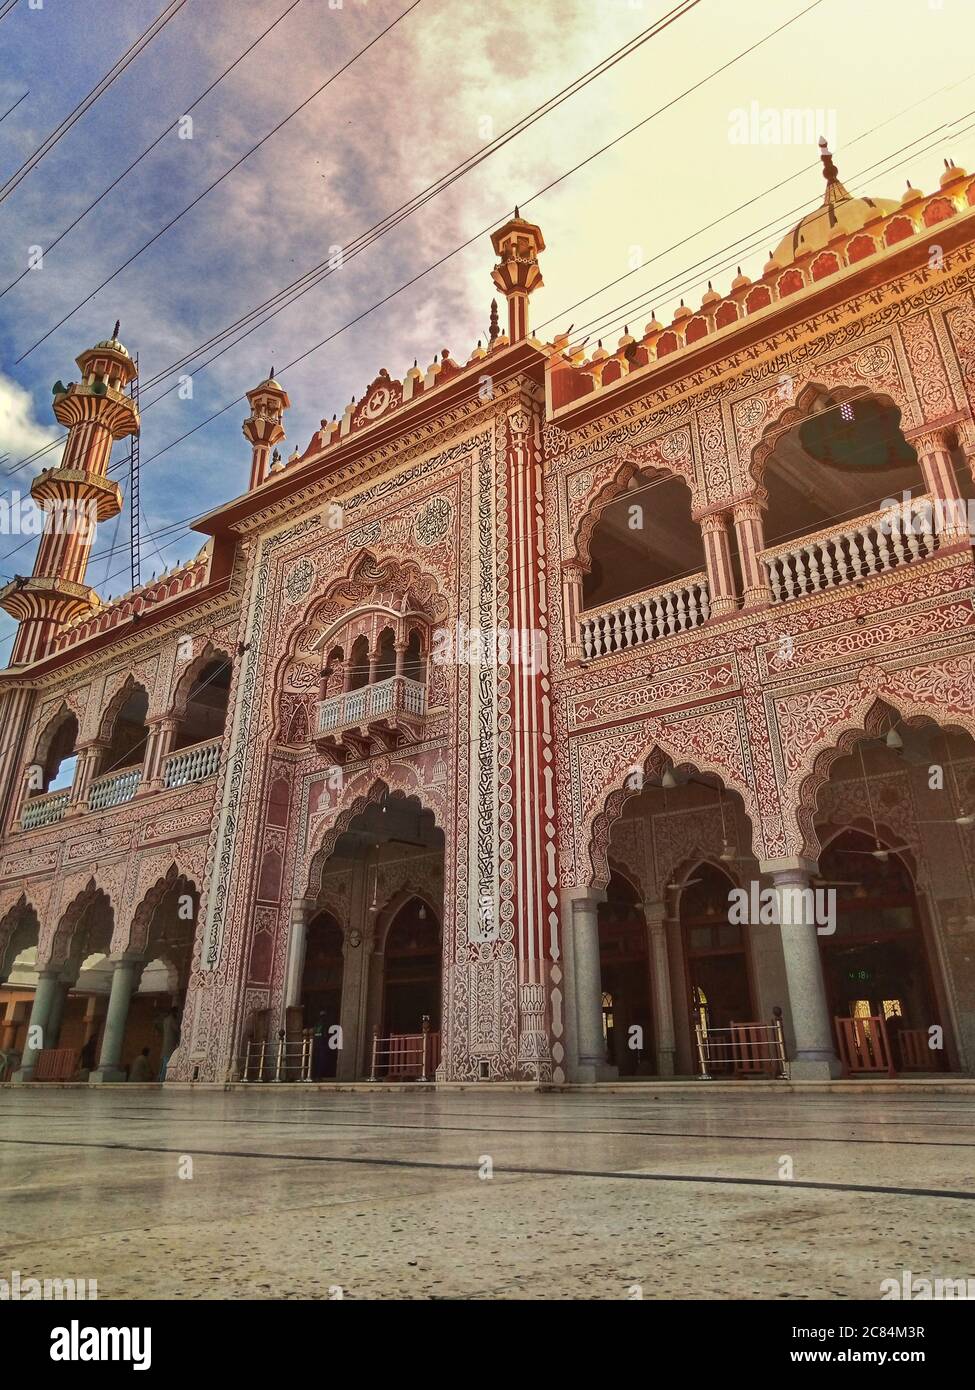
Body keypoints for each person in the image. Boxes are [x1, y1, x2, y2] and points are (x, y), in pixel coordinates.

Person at [155, 1006, 181, 1081]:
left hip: (166, 1045)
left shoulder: (165, 1020)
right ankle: (162, 1079)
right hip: (170, 1045)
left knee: (163, 1063)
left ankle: (160, 1078)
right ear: (175, 1012)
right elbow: (177, 1029)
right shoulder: (171, 1020)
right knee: (167, 1063)